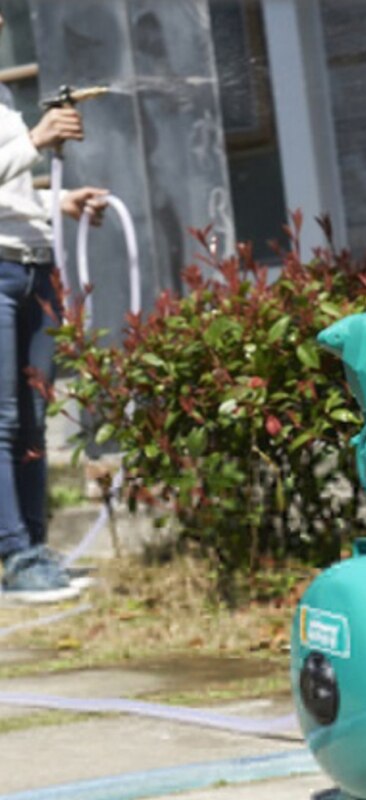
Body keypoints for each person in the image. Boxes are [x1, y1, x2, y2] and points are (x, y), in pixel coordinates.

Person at [0, 11, 108, 602]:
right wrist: (37, 140)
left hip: (32, 262)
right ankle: (15, 553)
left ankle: (35, 547)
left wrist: (59, 201)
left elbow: (10, 191)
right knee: (2, 420)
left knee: (35, 418)